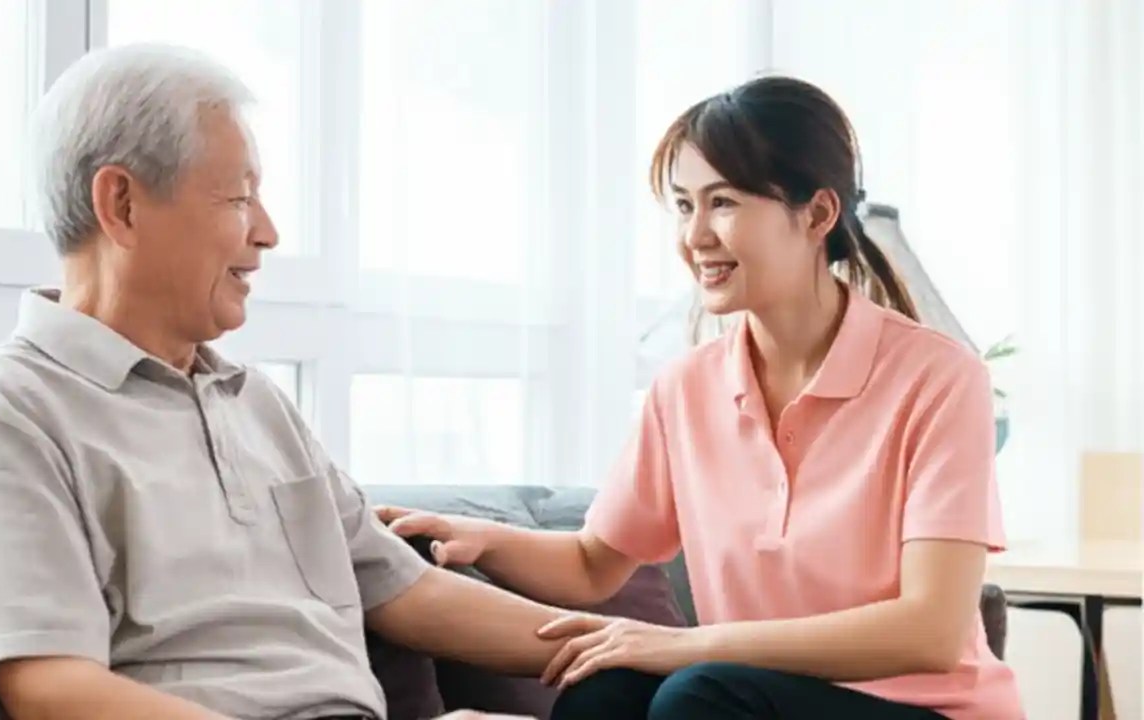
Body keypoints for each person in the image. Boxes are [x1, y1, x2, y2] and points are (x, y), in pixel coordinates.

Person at [0, 44, 557, 720]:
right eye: (238, 197)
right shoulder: (3, 413)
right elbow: (51, 689)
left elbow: (404, 590)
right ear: (120, 204)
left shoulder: (252, 400)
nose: (267, 233)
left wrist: (633, 641)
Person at [378, 77, 1025, 720]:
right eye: (684, 206)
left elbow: (930, 632)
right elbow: (592, 564)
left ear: (819, 215)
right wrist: (481, 540)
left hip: (932, 710)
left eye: (723, 203)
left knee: (697, 694)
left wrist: (688, 646)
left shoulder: (939, 378)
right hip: (750, 695)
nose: (695, 237)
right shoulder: (686, 389)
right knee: (605, 690)